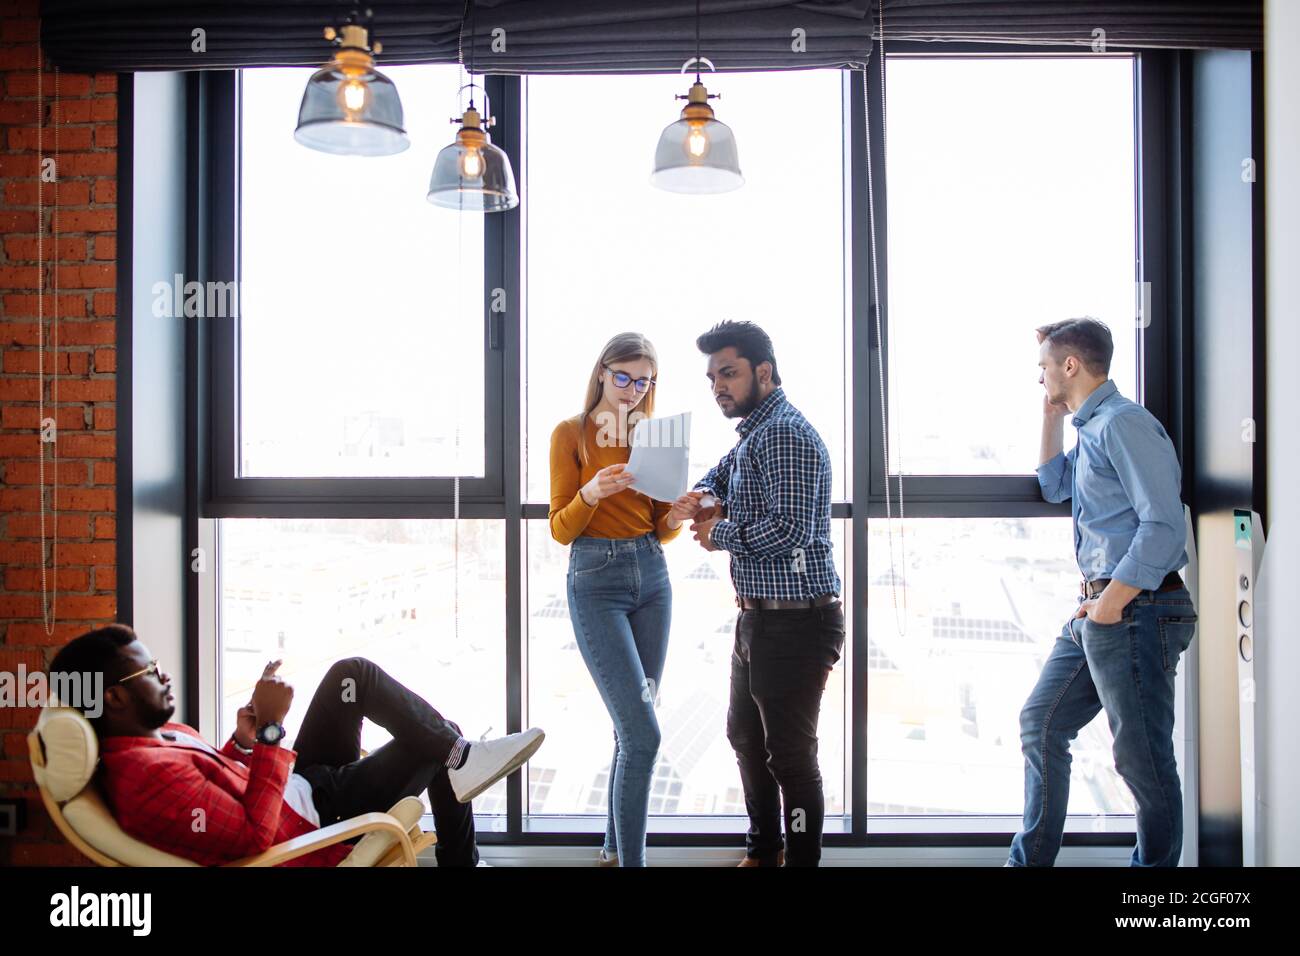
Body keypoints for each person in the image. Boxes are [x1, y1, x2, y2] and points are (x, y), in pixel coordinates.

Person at [48, 623, 545, 867]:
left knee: (354, 675)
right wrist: (269, 731)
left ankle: (460, 758)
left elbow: (215, 782)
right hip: (319, 820)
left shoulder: (156, 740)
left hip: (300, 786)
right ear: (113, 698)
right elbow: (250, 839)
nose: (165, 675)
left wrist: (243, 743)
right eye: (149, 671)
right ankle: (460, 767)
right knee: (436, 740)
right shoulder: (145, 780)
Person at [1007, 317, 1197, 867]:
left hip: (1137, 606)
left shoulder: (1122, 424)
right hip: (1103, 608)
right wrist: (1050, 417)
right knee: (1041, 722)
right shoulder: (1090, 429)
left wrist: (1112, 603)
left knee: (1142, 760)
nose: (1038, 377)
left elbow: (1163, 524)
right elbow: (1052, 486)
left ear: (1071, 366)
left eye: (1044, 367)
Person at [677, 320, 843, 867]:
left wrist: (715, 532)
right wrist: (703, 495)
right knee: (744, 738)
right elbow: (720, 476)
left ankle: (798, 862)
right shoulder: (754, 434)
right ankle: (763, 851)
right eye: (712, 377)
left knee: (790, 758)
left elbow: (791, 529)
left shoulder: (787, 434)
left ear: (763, 372)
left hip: (798, 622)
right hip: (758, 620)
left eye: (729, 373)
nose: (718, 386)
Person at [548, 332, 693, 867]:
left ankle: (612, 850)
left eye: (645, 381)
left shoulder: (652, 435)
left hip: (652, 576)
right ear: (603, 372)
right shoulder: (572, 433)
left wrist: (676, 515)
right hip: (596, 579)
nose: (633, 390)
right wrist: (591, 494)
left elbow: (660, 527)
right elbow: (560, 529)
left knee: (630, 730)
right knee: (643, 733)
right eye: (625, 377)